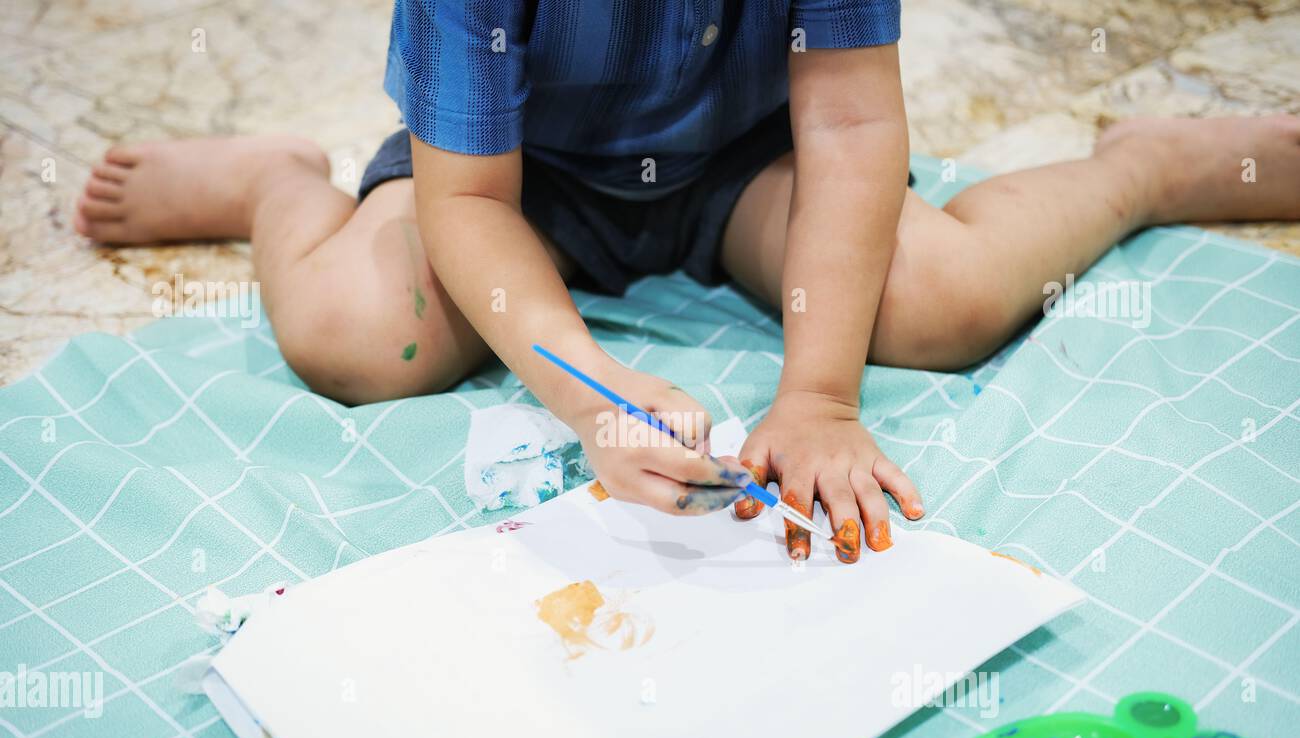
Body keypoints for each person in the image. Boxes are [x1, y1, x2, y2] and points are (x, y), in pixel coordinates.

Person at [73, 1, 1300, 563]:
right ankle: (277, 184)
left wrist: (818, 395)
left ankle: (1138, 173)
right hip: (514, 180)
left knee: (943, 300)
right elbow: (468, 204)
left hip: (742, 157)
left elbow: (853, 132)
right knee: (356, 337)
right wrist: (591, 388)